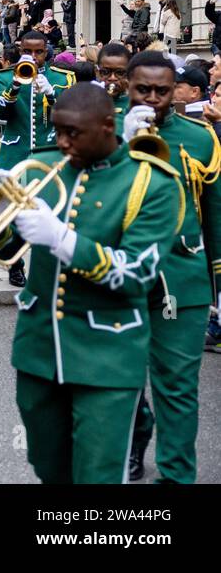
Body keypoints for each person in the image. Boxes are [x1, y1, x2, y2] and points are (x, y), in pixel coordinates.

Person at [0, 84, 181, 484]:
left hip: (106, 355)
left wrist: (62, 239)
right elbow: (9, 245)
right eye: (58, 131)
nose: (62, 142)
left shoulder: (151, 184)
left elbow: (136, 273)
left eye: (73, 133)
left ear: (109, 126)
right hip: (40, 349)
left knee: (98, 475)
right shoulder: (45, 167)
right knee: (48, 465)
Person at [119, 52, 221, 483]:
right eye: (144, 89)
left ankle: (177, 475)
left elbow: (214, 214)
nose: (155, 99)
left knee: (177, 384)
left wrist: (215, 282)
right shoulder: (102, 130)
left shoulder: (200, 138)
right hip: (116, 275)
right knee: (120, 379)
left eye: (164, 90)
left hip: (181, 276)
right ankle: (138, 431)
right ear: (128, 87)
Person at [0, 31, 76, 286]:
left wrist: (52, 95)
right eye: (29, 52)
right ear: (21, 50)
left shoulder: (62, 78)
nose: (35, 57)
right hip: (15, 153)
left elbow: (71, 116)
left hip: (49, 153)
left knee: (50, 211)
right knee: (10, 213)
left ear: (47, 51)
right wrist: (15, 86)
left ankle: (48, 266)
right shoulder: (5, 77)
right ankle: (15, 264)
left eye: (39, 52)